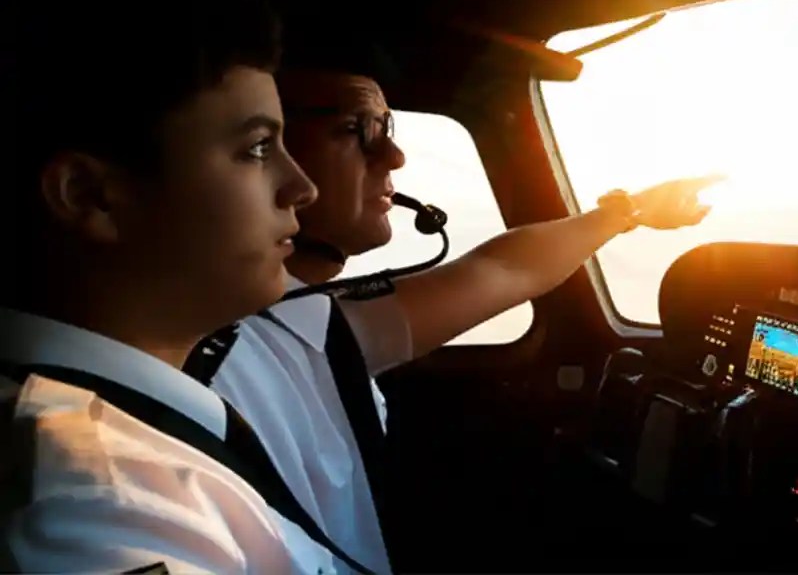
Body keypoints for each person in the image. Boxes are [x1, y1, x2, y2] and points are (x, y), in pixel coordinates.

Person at [189, 34, 722, 572]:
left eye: (388, 129)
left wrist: (628, 212)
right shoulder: (210, 360)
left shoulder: (311, 320)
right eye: (359, 129)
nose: (394, 156)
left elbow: (505, 269)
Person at [0, 0, 371, 573]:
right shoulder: (95, 504)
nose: (302, 188)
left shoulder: (140, 428)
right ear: (91, 196)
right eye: (257, 148)